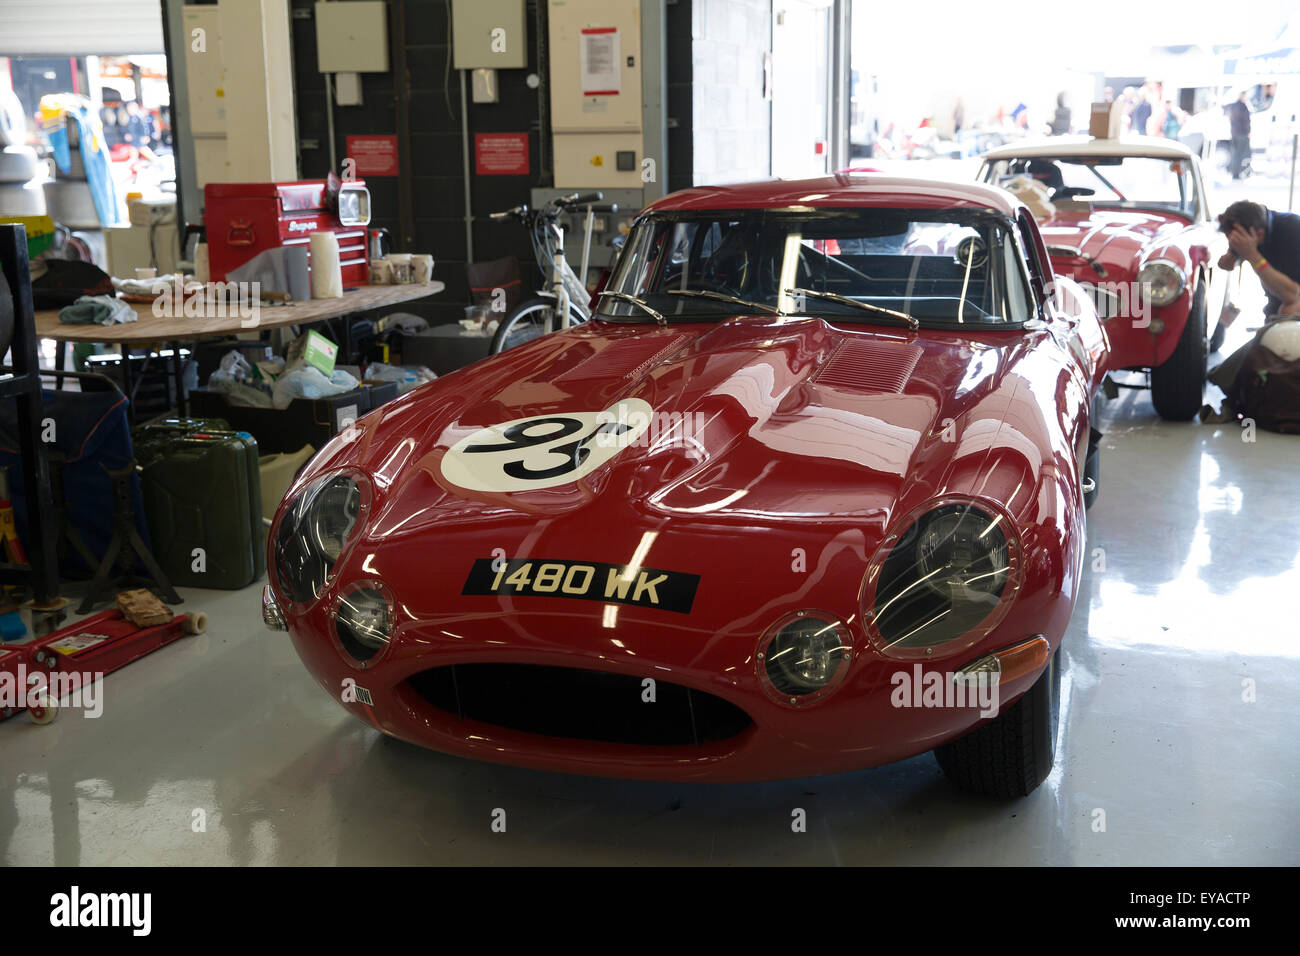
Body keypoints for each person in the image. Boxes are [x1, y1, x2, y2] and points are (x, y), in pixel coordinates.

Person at [1205, 200, 1300, 413]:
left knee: (1288, 311)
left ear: (1256, 234)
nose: (1235, 244)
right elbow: (1226, 262)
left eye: (1238, 242)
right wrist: (1232, 256)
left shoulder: (1293, 232)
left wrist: (1252, 256)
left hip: (1292, 299)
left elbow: (1292, 295)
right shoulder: (1252, 230)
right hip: (1278, 303)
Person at [1225, 92, 1251, 180]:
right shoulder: (1243, 107)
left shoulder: (1233, 106)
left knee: (1235, 154)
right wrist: (1248, 131)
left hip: (1234, 133)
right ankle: (1241, 172)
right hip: (1242, 133)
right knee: (1242, 154)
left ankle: (1234, 173)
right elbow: (1246, 121)